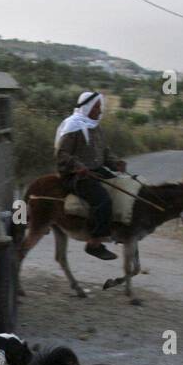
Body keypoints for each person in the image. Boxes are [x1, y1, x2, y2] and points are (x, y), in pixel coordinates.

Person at [54, 90, 127, 260]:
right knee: (103, 200)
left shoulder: (95, 127)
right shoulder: (72, 126)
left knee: (121, 187)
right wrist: (78, 166)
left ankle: (117, 230)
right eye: (97, 107)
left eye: (100, 107)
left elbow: (104, 153)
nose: (100, 111)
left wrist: (116, 163)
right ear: (87, 108)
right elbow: (62, 154)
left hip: (94, 171)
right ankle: (94, 243)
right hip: (75, 176)